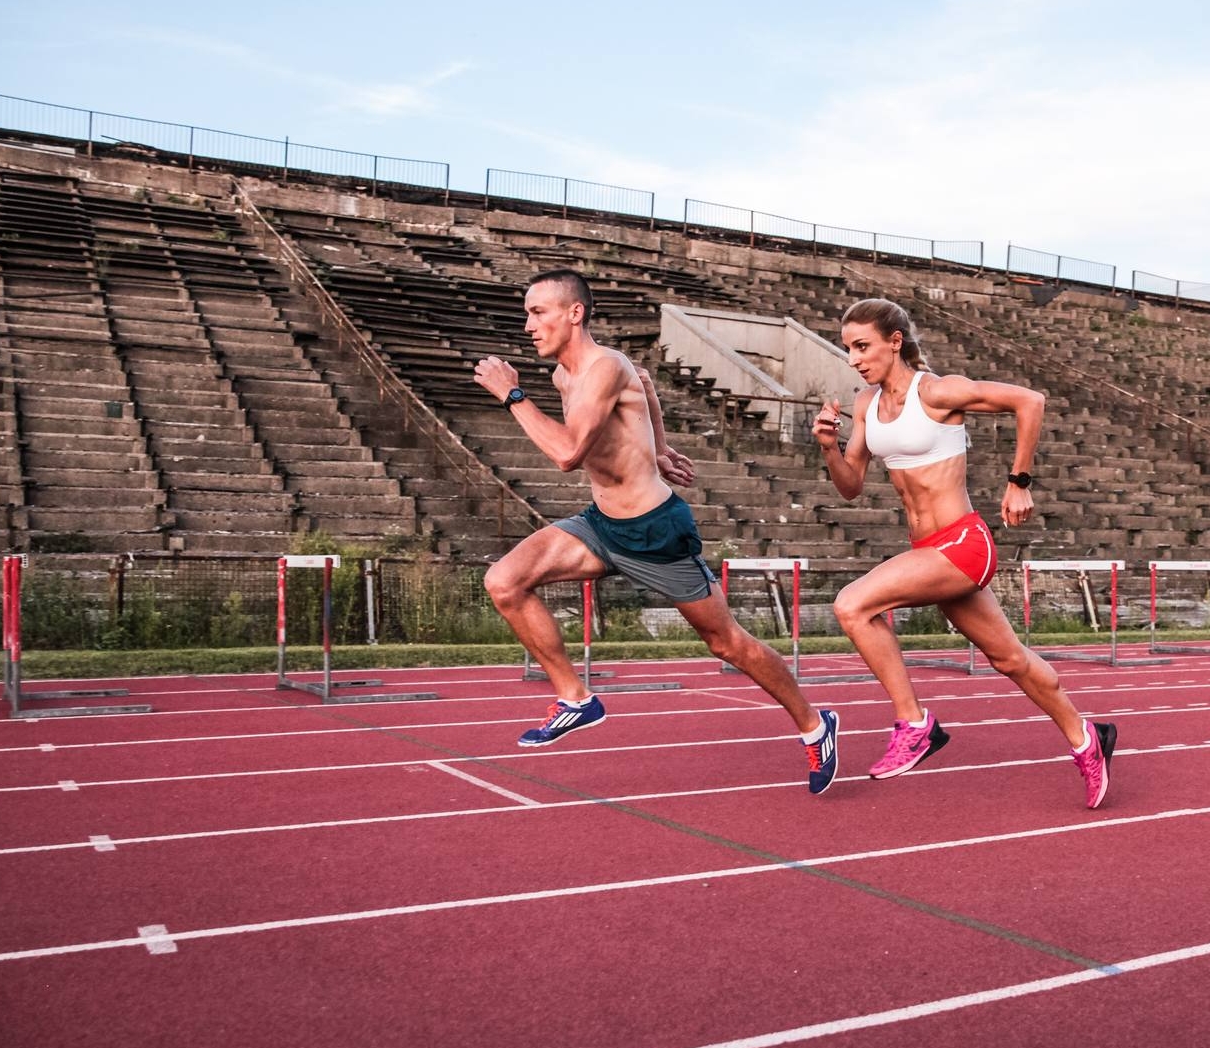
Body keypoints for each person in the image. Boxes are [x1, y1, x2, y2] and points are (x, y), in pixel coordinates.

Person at [476, 269, 842, 793]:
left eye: (538, 312)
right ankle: (577, 698)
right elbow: (645, 385)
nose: (528, 325)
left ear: (574, 313)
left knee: (727, 643)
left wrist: (512, 395)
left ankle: (814, 724)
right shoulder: (565, 375)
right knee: (504, 581)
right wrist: (659, 449)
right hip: (601, 525)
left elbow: (566, 452)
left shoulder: (604, 367)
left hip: (654, 532)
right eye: (527, 314)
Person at [812, 297, 1118, 808]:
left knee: (852, 604)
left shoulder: (936, 391)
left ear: (894, 341)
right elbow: (851, 486)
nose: (854, 359)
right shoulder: (866, 405)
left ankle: (915, 724)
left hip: (962, 544)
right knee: (1009, 658)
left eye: (862, 346)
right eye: (848, 349)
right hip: (928, 551)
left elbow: (1031, 400)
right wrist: (828, 446)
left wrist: (1018, 482)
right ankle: (1088, 739)